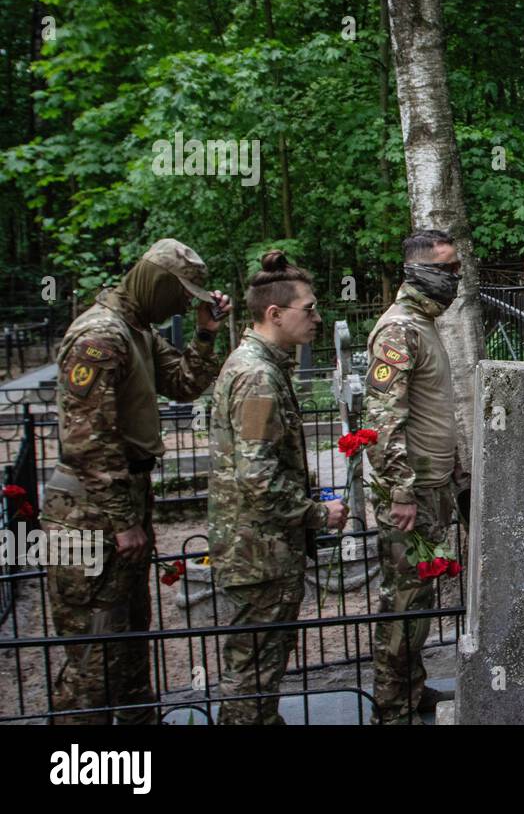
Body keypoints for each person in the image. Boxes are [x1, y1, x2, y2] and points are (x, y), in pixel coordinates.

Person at [42, 238, 229, 724]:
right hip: (89, 512)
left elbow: (184, 384)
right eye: (182, 292)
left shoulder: (137, 330)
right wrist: (125, 521)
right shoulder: (100, 337)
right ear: (155, 283)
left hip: (121, 498)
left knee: (128, 640)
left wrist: (206, 333)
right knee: (94, 650)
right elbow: (87, 441)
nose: (186, 302)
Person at [208, 251, 347, 723]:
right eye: (307, 309)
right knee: (252, 675)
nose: (317, 317)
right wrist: (318, 515)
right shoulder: (258, 377)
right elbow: (257, 477)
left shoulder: (263, 365)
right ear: (274, 313)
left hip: (262, 549)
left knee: (259, 671)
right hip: (259, 554)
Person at [363, 229, 470, 724]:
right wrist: (402, 491)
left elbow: (431, 409)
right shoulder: (398, 329)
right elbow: (383, 421)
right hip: (412, 493)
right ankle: (392, 708)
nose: (456, 278)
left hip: (432, 485)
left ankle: (411, 687)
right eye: (448, 269)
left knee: (418, 601)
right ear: (420, 271)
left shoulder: (423, 324)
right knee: (403, 606)